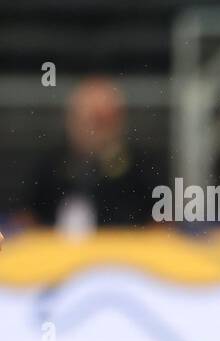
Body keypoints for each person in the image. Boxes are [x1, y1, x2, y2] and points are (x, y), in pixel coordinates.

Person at [14, 77, 161, 236]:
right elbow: (24, 223)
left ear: (118, 121)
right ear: (72, 120)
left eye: (103, 122)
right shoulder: (49, 166)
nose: (95, 132)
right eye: (89, 120)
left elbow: (163, 228)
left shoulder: (141, 168)